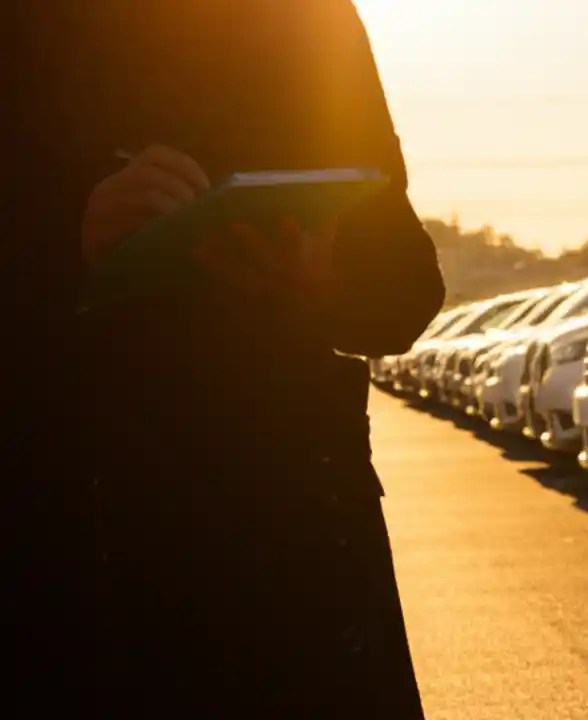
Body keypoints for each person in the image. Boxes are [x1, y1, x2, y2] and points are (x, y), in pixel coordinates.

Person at [13, 2, 443, 716]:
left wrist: (324, 279)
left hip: (294, 542)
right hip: (76, 552)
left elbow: (408, 292)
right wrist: (71, 244)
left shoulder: (307, 22)